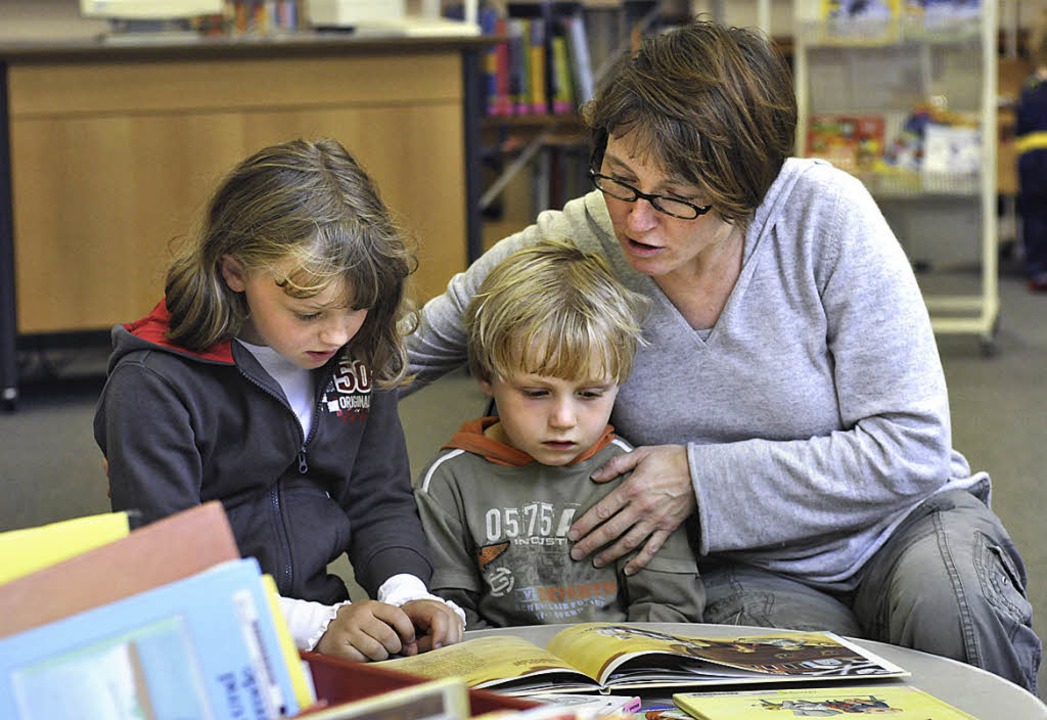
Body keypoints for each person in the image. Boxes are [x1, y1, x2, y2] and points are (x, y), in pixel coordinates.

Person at [403, 18, 1041, 690]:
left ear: (747, 188)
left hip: (903, 523)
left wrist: (699, 478)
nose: (636, 218)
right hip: (747, 564)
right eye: (619, 179)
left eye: (677, 197)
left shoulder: (825, 215)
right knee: (770, 678)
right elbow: (394, 357)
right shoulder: (577, 236)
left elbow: (911, 449)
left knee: (956, 609)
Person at [94, 138, 463, 662]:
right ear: (234, 272)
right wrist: (315, 627)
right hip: (202, 643)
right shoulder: (151, 384)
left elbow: (378, 497)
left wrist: (405, 591)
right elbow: (171, 569)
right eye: (308, 314)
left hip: (318, 627)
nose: (336, 334)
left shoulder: (356, 353)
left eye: (357, 307)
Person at [413, 240, 705, 628]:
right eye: (537, 393)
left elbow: (670, 607)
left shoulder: (635, 478)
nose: (564, 419)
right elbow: (446, 614)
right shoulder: (449, 482)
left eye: (590, 394)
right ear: (485, 376)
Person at [1016, 8, 1047, 292]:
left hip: (1031, 158)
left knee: (1035, 214)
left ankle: (1038, 270)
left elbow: (1022, 123)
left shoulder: (1031, 85)